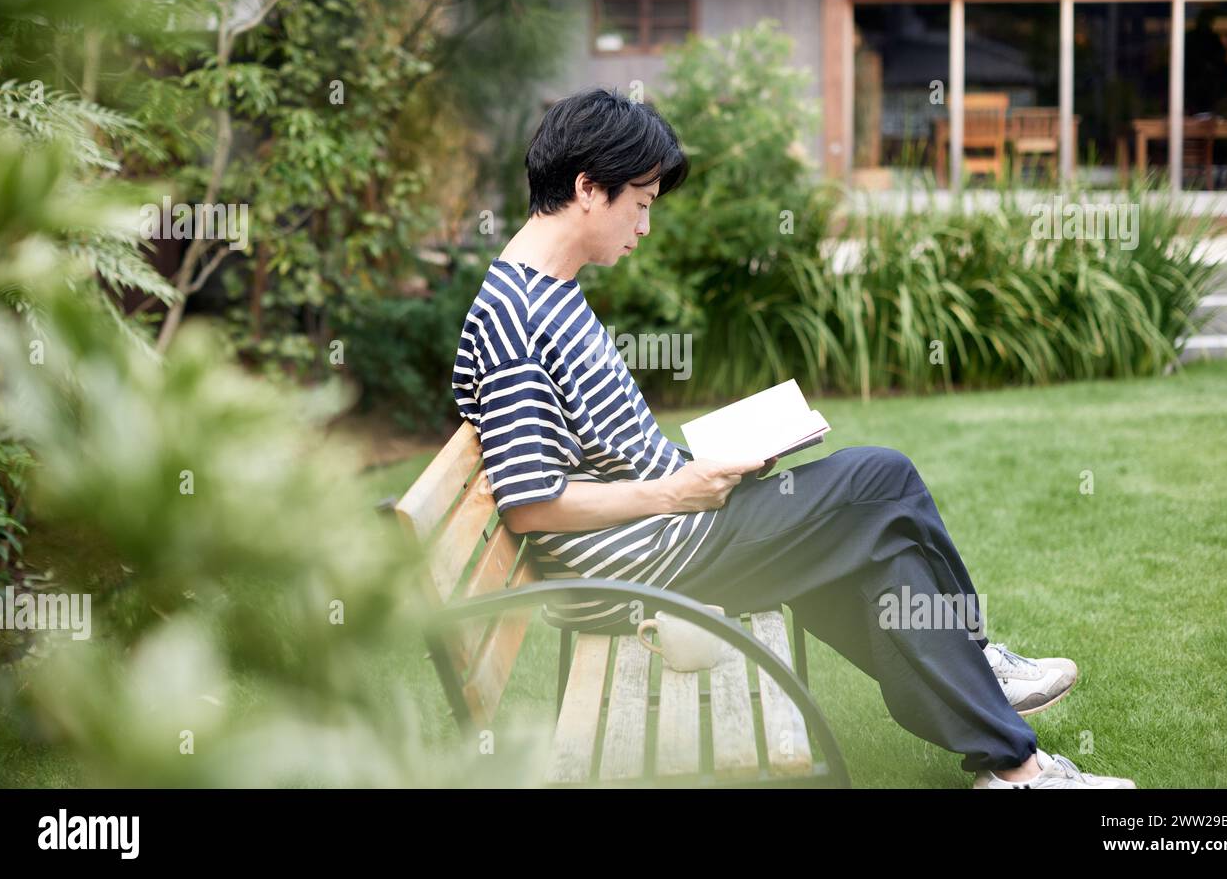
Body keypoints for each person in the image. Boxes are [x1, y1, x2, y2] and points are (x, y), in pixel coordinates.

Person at [450, 86, 1136, 789]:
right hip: (642, 568)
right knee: (882, 477)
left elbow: (600, 454)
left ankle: (1012, 766)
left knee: (883, 553)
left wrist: (712, 463)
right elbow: (532, 504)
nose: (645, 226)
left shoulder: (548, 290)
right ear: (588, 188)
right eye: (642, 203)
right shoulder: (512, 315)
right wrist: (675, 490)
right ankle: (982, 668)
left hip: (667, 537)